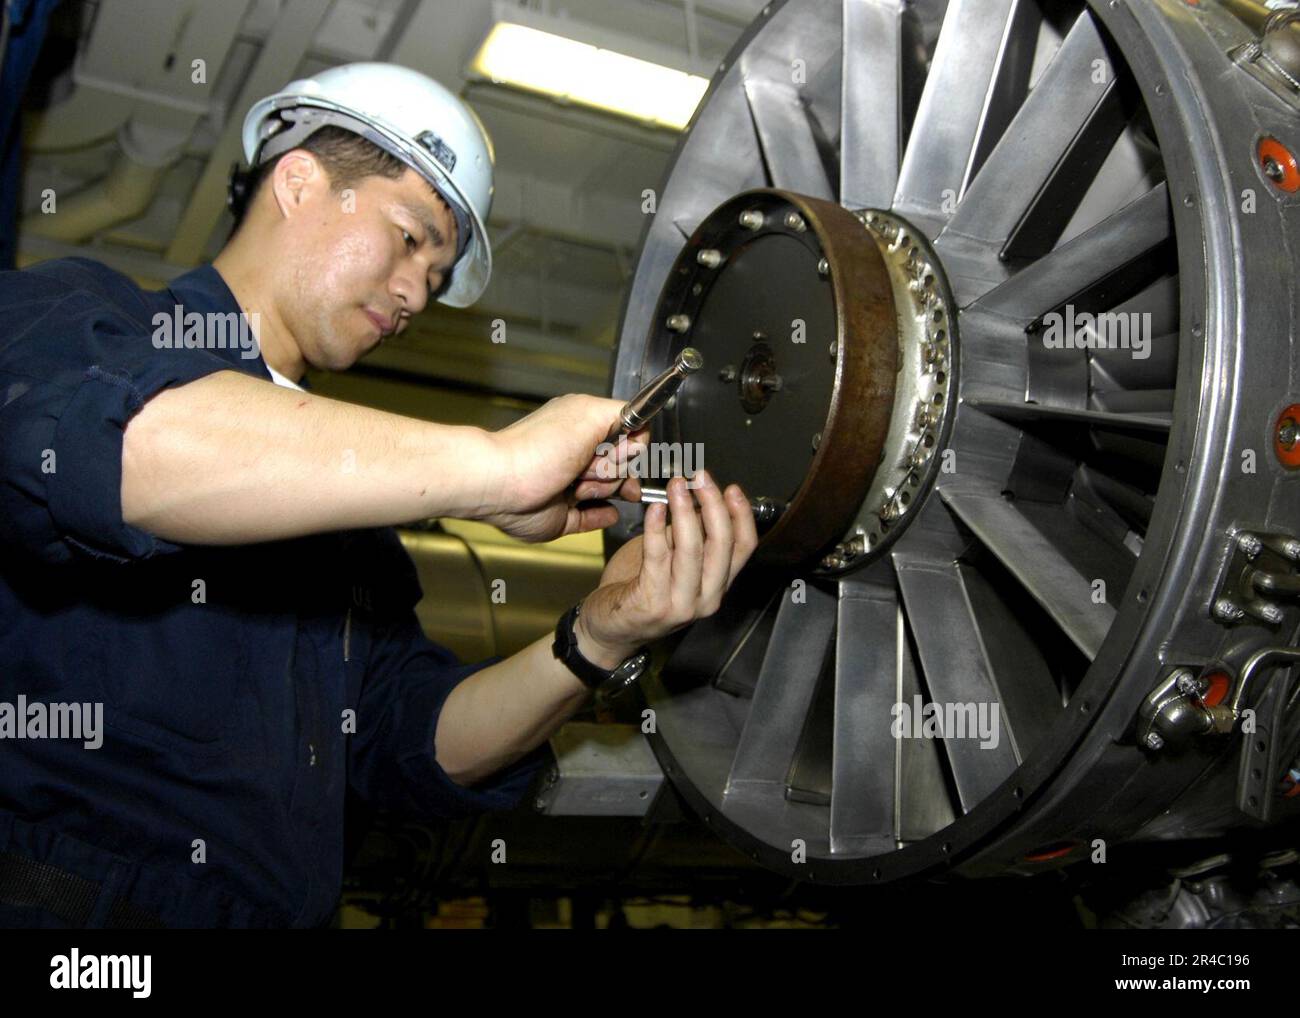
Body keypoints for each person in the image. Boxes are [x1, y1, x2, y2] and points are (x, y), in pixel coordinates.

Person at [0, 62, 757, 928]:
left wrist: (596, 635)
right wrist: (500, 466)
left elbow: (418, 741)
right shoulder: (69, 317)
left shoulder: (356, 542)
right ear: (298, 182)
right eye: (409, 240)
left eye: (436, 280)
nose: (415, 294)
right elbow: (125, 444)